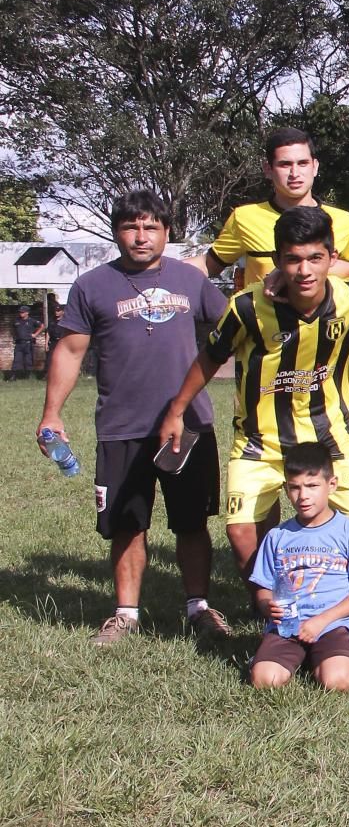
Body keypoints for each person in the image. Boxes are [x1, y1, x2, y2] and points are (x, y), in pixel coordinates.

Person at [38, 189, 231, 646]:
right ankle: (126, 615)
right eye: (131, 226)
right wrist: (52, 412)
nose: (140, 236)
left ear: (167, 232)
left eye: (151, 227)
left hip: (189, 425)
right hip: (121, 425)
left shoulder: (190, 280)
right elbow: (69, 349)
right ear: (116, 231)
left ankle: (199, 608)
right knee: (127, 523)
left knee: (191, 522)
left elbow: (235, 327)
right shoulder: (92, 286)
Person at [159, 207, 349, 584]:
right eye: (292, 260)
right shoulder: (247, 307)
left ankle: (329, 604)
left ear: (332, 258)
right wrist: (176, 409)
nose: (305, 270)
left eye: (315, 258)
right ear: (277, 260)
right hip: (259, 441)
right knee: (241, 531)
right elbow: (210, 357)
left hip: (332, 435)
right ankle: (270, 607)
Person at [247, 443, 349, 692]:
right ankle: (289, 657)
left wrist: (322, 621)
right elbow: (263, 587)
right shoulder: (277, 536)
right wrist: (266, 605)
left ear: (332, 485)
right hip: (286, 627)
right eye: (295, 488)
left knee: (337, 682)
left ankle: (340, 652)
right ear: (286, 489)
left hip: (331, 625)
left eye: (312, 486)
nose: (303, 496)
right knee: (265, 681)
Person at [188, 128, 349, 287]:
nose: (295, 174)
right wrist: (163, 269)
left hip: (328, 320)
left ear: (315, 167)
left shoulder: (344, 220)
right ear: (268, 169)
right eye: (285, 164)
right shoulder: (244, 218)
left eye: (302, 163)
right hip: (263, 320)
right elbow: (209, 264)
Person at [10, 304, 43, 380]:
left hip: (28, 343)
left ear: (27, 313)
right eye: (20, 312)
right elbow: (13, 330)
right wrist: (14, 337)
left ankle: (27, 376)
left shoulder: (32, 321)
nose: (21, 313)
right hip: (19, 343)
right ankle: (13, 376)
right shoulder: (16, 320)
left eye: (22, 312)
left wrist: (35, 334)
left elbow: (42, 326)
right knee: (17, 360)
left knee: (28, 360)